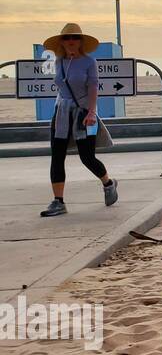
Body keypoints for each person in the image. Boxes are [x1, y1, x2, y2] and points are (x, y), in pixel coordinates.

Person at [40, 23, 117, 217]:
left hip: (83, 112)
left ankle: (108, 183)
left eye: (75, 38)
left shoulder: (89, 62)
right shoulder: (59, 61)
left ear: (81, 41)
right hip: (61, 112)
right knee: (57, 156)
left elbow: (93, 87)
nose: (71, 41)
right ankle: (58, 201)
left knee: (87, 157)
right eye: (67, 38)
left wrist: (91, 113)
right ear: (61, 42)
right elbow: (61, 87)